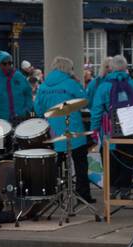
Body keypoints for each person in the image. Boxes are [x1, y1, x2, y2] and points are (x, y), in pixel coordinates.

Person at [34, 57, 94, 205]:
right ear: (68, 69)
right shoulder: (71, 83)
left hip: (53, 132)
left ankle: (56, 195)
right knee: (80, 164)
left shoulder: (43, 86)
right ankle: (83, 194)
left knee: (56, 166)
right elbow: (85, 100)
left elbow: (38, 109)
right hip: (73, 130)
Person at [90, 55, 133, 197]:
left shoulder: (104, 86)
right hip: (129, 127)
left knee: (109, 156)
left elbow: (97, 110)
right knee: (128, 155)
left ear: (111, 68)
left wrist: (94, 129)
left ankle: (112, 188)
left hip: (109, 129)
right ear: (125, 68)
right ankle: (125, 188)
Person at [0, 51, 34, 124]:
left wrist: (26, 110)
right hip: (0, 122)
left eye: (10, 63)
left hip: (20, 119)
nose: (8, 66)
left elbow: (28, 93)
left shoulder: (19, 77)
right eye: (4, 63)